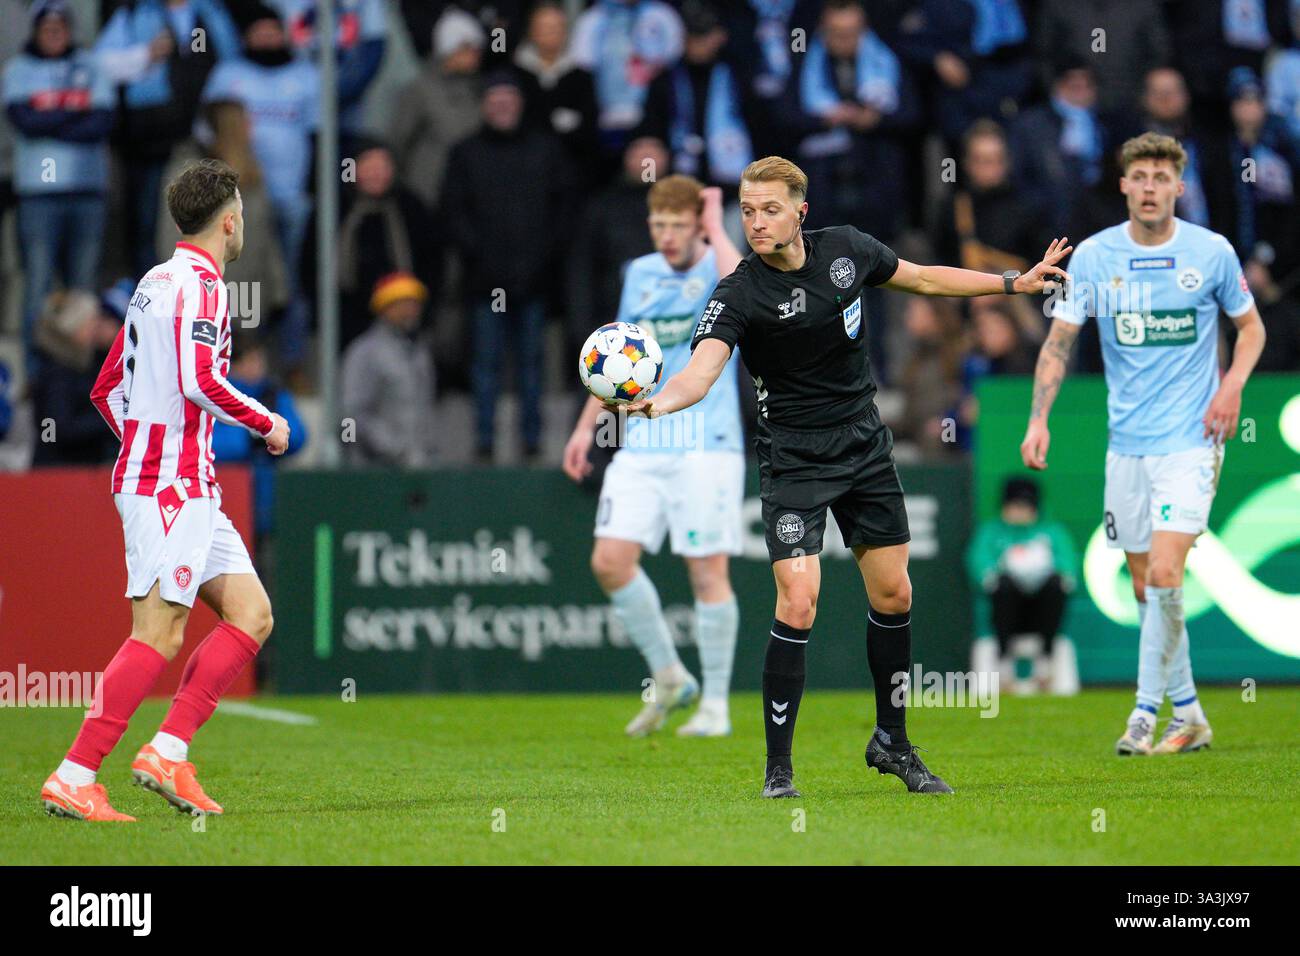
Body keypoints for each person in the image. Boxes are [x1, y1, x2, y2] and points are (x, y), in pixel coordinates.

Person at [620, 156, 1070, 797]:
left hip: (864, 447)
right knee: (798, 601)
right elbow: (702, 369)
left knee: (895, 596)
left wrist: (1010, 282)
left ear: (800, 210)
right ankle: (779, 768)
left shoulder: (848, 250)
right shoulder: (738, 291)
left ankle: (893, 742)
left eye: (769, 209)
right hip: (795, 458)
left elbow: (924, 279)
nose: (755, 222)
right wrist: (657, 402)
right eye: (746, 210)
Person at [39, 158, 291, 821]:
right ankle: (75, 773)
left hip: (179, 481)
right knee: (160, 629)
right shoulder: (206, 287)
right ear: (231, 221)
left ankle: (169, 752)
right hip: (171, 483)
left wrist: (144, 445)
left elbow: (106, 387)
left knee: (252, 615)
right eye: (241, 217)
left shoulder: (152, 281)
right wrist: (267, 422)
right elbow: (197, 380)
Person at [1020, 132, 1267, 756]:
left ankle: (1142, 714)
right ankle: (1191, 713)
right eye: (1141, 177)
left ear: (1178, 187)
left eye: (1163, 177)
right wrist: (1038, 418)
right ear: (1124, 184)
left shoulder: (1209, 252)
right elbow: (1059, 341)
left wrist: (1232, 385)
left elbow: (1251, 327)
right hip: (1126, 444)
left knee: (1164, 573)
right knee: (1145, 589)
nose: (1151, 187)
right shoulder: (1098, 257)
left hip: (1191, 438)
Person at [563, 175, 744, 738]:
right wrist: (583, 428)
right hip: (642, 439)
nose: (667, 237)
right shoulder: (639, 273)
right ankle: (669, 677)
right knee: (609, 562)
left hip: (706, 442)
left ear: (696, 224)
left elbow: (744, 285)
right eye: (658, 225)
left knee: (706, 570)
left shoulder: (720, 266)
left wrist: (717, 226)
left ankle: (715, 706)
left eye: (678, 225)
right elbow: (615, 356)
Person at [4, 0, 114, 379]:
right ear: (36, 30)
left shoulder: (91, 65)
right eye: (47, 27)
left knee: (83, 287)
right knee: (37, 282)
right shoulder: (19, 69)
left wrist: (51, 119)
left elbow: (100, 123)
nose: (54, 33)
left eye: (60, 26)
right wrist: (72, 114)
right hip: (38, 192)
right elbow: (25, 121)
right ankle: (35, 377)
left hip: (87, 190)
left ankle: (82, 375)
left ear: (69, 29)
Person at [965, 476, 1078, 694]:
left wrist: (1057, 575)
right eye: (1014, 505)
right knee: (1003, 586)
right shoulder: (992, 532)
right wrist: (993, 576)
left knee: (1055, 586)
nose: (1019, 511)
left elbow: (1067, 567)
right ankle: (1004, 663)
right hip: (1007, 611)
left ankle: (1045, 661)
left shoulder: (1052, 532)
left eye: (1025, 506)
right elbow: (978, 563)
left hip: (1042, 612)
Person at [340, 272, 437, 467]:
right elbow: (350, 414)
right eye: (405, 304)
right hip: (374, 469)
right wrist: (393, 448)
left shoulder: (419, 352)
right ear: (385, 307)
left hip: (417, 465)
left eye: (415, 304)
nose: (412, 311)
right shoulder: (364, 352)